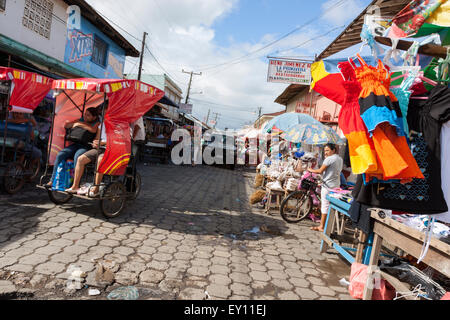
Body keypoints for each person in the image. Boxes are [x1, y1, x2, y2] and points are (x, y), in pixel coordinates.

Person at [46, 108, 100, 188]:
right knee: (61, 154)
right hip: (75, 144)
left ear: (94, 117)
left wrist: (79, 124)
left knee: (77, 156)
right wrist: (77, 123)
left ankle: (75, 183)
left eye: (88, 115)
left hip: (86, 146)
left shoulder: (97, 123)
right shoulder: (81, 119)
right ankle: (52, 180)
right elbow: (67, 125)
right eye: (85, 114)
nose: (85, 116)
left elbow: (92, 130)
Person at [308, 143, 343, 232]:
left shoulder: (329, 159)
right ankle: (328, 225)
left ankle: (322, 226)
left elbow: (320, 171)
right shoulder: (339, 159)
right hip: (336, 186)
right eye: (324, 151)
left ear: (333, 150)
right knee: (331, 206)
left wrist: (310, 170)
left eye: (327, 150)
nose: (325, 153)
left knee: (325, 206)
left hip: (328, 186)